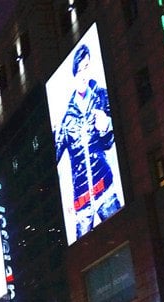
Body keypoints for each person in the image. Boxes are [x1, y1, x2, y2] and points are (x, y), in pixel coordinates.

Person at [54, 43, 121, 241]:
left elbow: (109, 142)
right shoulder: (66, 119)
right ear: (73, 74)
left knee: (122, 235)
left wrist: (106, 126)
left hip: (105, 188)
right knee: (83, 252)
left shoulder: (102, 97)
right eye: (79, 70)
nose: (83, 74)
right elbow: (52, 159)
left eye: (86, 67)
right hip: (82, 201)